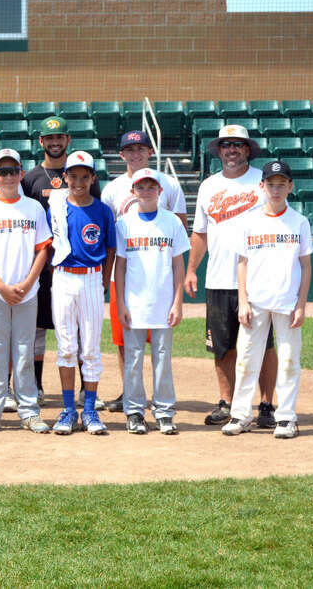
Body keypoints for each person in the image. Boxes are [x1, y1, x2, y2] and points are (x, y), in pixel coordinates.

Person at [185, 125, 279, 428]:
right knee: (222, 346)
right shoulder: (209, 186)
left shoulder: (261, 182)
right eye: (226, 145)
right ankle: (227, 401)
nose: (232, 150)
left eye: (238, 144)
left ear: (248, 149)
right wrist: (191, 269)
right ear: (219, 150)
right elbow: (200, 232)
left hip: (258, 279)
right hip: (218, 278)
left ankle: (266, 404)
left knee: (263, 346)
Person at [99, 130, 187, 412]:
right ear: (122, 154)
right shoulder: (112, 189)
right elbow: (110, 236)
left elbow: (180, 227)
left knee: (159, 343)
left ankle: (159, 400)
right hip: (124, 274)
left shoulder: (170, 184)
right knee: (125, 341)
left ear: (150, 151)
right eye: (129, 149)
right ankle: (130, 393)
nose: (135, 154)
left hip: (158, 272)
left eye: (141, 148)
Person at [222, 160, 311, 439]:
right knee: (247, 359)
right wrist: (243, 301)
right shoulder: (249, 221)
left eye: (281, 184)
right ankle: (241, 415)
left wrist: (301, 304)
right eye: (271, 184)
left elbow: (306, 265)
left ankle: (285, 417)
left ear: (290, 187)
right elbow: (242, 262)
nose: (276, 189)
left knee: (288, 359)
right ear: (262, 186)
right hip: (256, 301)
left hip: (287, 302)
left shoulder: (299, 222)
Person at [0, 149, 52, 434]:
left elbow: (42, 249)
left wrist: (28, 282)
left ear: (21, 174)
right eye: (2, 171)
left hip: (27, 291)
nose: (7, 176)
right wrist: (1, 286)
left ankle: (28, 412)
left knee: (25, 351)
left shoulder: (33, 208)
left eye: (12, 171)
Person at [20, 115, 101, 409]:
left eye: (60, 138)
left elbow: (95, 215)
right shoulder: (31, 178)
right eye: (49, 138)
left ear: (67, 140)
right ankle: (38, 386)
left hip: (77, 265)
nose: (55, 143)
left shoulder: (86, 175)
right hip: (42, 265)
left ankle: (84, 391)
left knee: (81, 329)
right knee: (38, 328)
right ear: (41, 142)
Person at [113, 168, 188, 436]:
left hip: (163, 302)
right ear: (132, 192)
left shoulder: (172, 222)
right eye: (140, 187)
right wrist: (120, 303)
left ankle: (164, 412)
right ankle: (134, 411)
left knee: (163, 358)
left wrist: (178, 302)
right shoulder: (124, 224)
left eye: (151, 186)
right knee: (132, 358)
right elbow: (119, 266)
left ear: (160, 191)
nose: (146, 191)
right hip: (134, 302)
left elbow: (178, 264)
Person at [47, 150, 116, 436]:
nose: (78, 182)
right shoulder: (57, 207)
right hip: (63, 277)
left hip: (91, 277)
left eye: (83, 177)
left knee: (90, 348)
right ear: (65, 178)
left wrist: (105, 279)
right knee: (66, 347)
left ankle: (89, 410)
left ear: (92, 178)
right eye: (72, 176)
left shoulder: (101, 210)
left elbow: (111, 248)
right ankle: (67, 410)